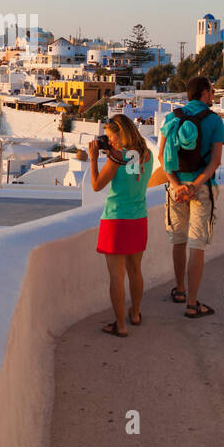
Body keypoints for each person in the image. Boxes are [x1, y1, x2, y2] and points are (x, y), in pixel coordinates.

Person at [158, 76, 224, 318]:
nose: (214, 93)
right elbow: (215, 161)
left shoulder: (171, 118)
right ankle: (193, 304)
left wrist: (177, 185)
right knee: (197, 244)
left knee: (178, 240)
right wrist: (195, 186)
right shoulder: (215, 121)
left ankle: (180, 290)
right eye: (212, 90)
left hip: (175, 189)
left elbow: (162, 159)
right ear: (205, 93)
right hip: (202, 189)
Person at [88, 114, 155, 337]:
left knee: (116, 277)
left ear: (122, 134)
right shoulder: (147, 155)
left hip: (116, 219)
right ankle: (135, 314)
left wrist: (93, 157)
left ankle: (120, 325)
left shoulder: (116, 159)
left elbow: (97, 185)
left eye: (112, 137)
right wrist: (113, 152)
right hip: (138, 218)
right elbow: (131, 165)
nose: (110, 141)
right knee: (135, 270)